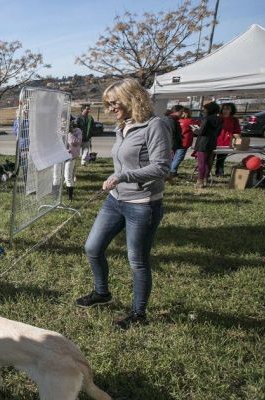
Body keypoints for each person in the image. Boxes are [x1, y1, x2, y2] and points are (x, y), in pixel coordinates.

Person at [75, 78, 170, 330]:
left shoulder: (155, 125)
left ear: (131, 98)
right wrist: (116, 176)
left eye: (114, 103)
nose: (110, 108)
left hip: (143, 204)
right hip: (116, 200)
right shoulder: (123, 126)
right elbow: (123, 161)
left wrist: (123, 176)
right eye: (108, 104)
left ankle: (139, 314)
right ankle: (102, 293)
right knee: (92, 248)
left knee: (137, 260)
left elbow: (161, 167)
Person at [192, 102, 222, 189]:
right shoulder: (219, 119)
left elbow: (201, 132)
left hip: (203, 142)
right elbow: (218, 133)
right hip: (212, 142)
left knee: (201, 163)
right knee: (208, 163)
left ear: (209, 109)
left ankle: (200, 181)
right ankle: (205, 179)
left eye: (205, 109)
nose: (203, 110)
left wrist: (194, 130)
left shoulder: (207, 119)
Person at [53, 120, 83, 200]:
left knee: (68, 177)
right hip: (58, 156)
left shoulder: (77, 131)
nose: (64, 123)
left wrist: (69, 133)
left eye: (66, 122)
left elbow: (76, 143)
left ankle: (70, 198)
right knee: (56, 177)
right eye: (62, 121)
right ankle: (55, 197)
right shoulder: (58, 130)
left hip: (70, 156)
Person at [214, 102, 241, 176]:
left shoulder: (234, 120)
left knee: (221, 159)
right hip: (215, 141)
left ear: (231, 110)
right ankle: (206, 173)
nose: (225, 110)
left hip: (227, 142)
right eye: (224, 108)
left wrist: (237, 143)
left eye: (228, 109)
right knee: (210, 158)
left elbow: (237, 132)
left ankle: (219, 172)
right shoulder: (217, 118)